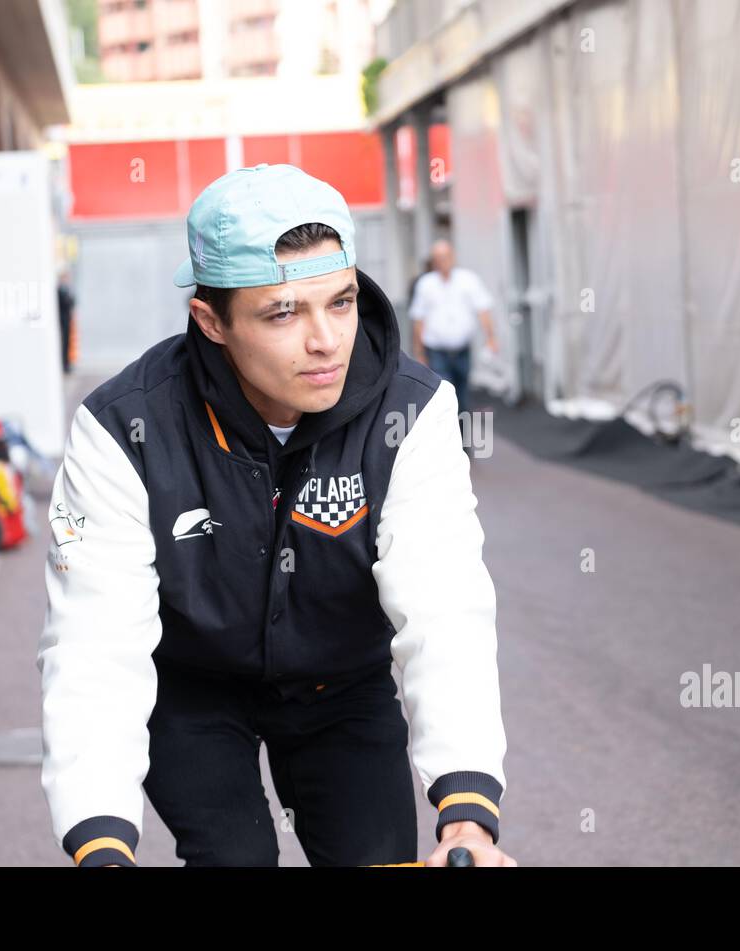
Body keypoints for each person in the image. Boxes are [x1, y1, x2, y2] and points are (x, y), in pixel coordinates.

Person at [36, 163, 514, 868]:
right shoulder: (123, 428)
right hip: (194, 689)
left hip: (343, 685)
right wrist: (100, 840)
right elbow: (93, 641)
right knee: (238, 858)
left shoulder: (413, 411)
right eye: (284, 312)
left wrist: (468, 813)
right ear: (211, 320)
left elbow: (446, 607)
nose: (326, 341)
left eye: (342, 302)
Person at [407, 238, 498, 452]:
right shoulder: (426, 284)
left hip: (462, 349)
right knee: (445, 395)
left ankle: (464, 443)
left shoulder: (468, 280)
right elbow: (418, 321)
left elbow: (483, 310)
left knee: (463, 396)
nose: (442, 262)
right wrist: (419, 352)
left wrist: (491, 337)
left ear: (453, 257)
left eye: (445, 257)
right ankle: (449, 445)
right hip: (437, 350)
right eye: (438, 258)